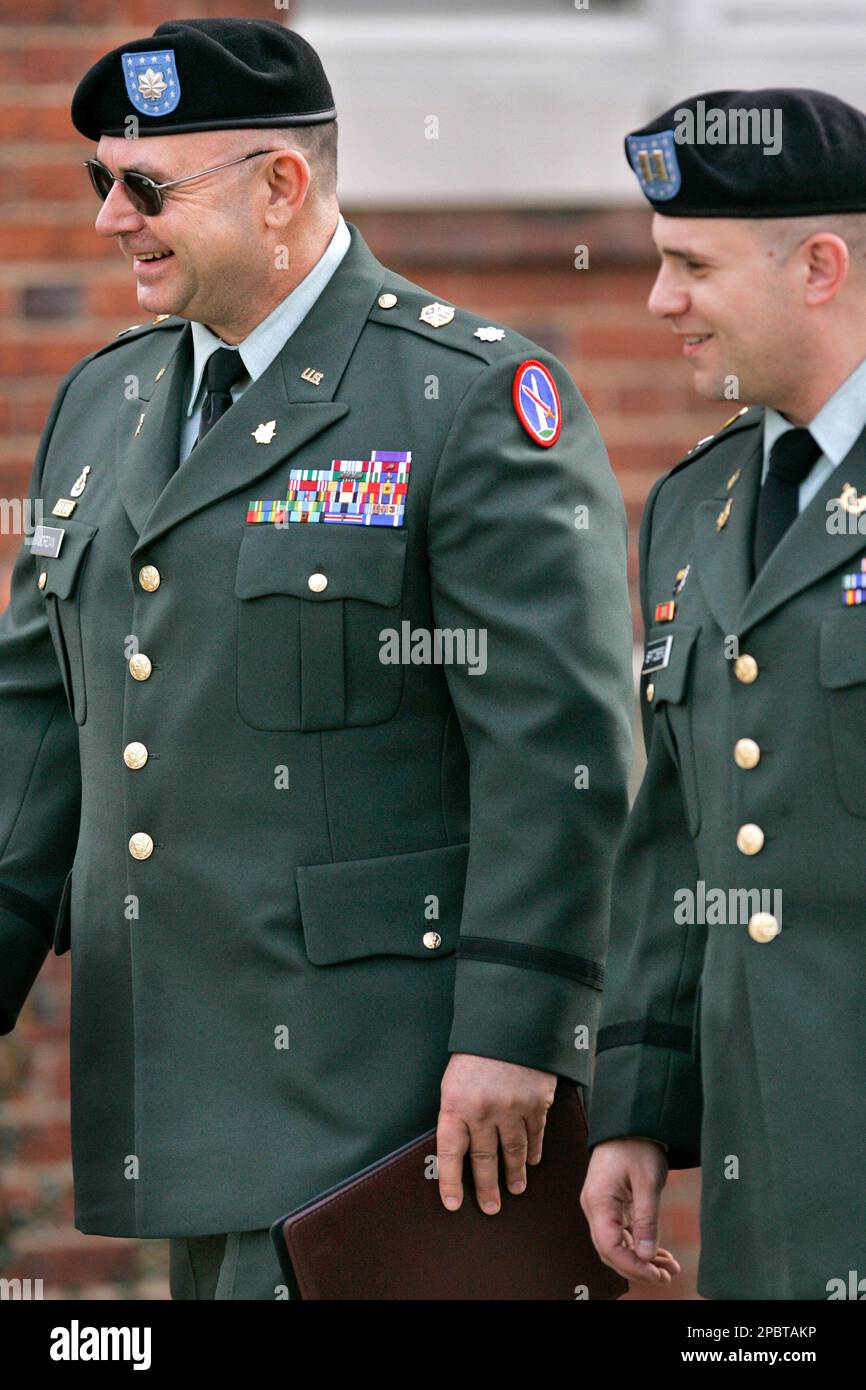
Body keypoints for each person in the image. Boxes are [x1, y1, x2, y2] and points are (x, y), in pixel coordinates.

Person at [0, 17, 633, 1299]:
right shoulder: (102, 404)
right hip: (177, 1095)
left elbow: (559, 748)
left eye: (149, 187)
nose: (115, 216)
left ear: (281, 186)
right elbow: (35, 724)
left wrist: (517, 1032)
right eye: (99, 182)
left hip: (391, 1119)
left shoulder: (464, 397)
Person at [581, 87, 866, 1301]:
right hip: (767, 1185)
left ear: (818, 266)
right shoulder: (692, 506)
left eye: (689, 265)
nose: (659, 301)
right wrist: (637, 1107)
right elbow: (674, 841)